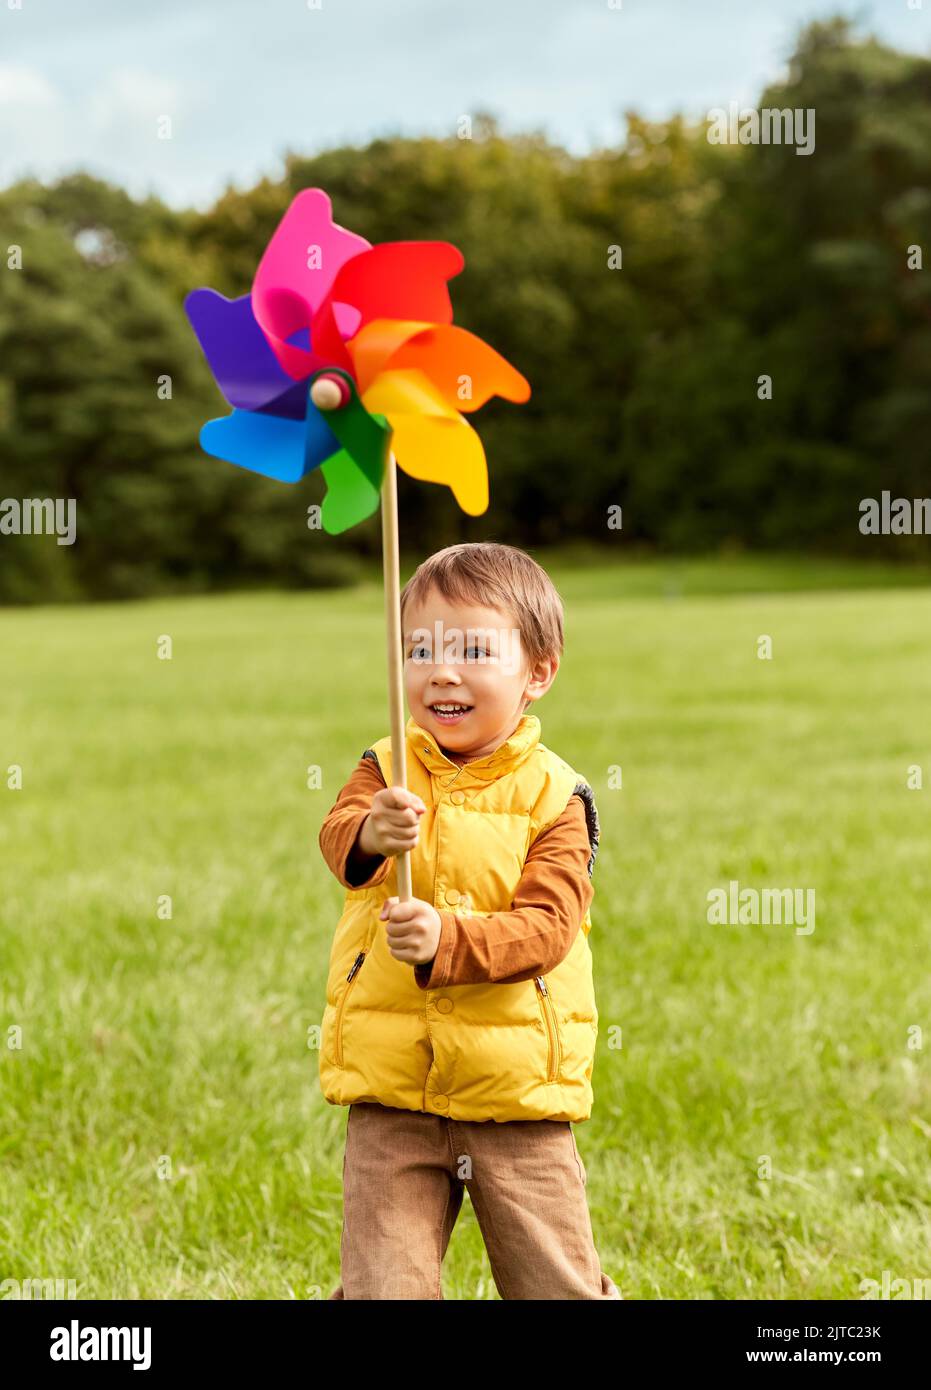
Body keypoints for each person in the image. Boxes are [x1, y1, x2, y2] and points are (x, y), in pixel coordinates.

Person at [318, 541, 621, 1300]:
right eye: (418, 649)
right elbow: (338, 835)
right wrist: (368, 833)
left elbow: (547, 930)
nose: (440, 671)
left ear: (538, 673)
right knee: (384, 1288)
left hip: (515, 1093)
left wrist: (446, 942)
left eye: (472, 650)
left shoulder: (557, 798)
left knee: (553, 1284)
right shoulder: (385, 766)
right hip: (392, 1088)